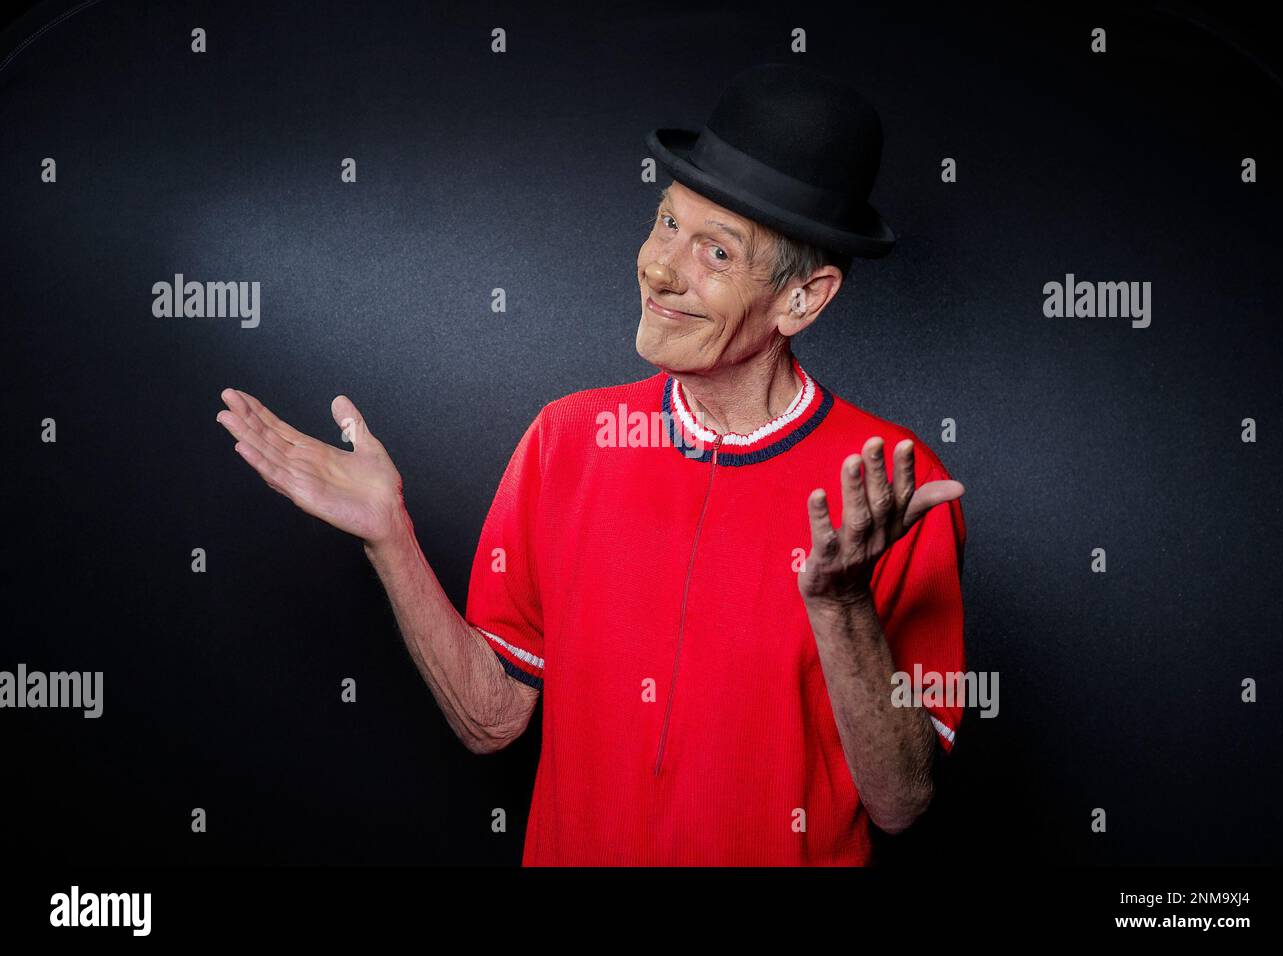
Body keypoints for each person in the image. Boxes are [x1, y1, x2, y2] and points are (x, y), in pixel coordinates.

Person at [215, 62, 967, 866]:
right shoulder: (567, 439)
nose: (659, 266)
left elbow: (900, 803)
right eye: (666, 223)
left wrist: (841, 602)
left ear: (802, 299)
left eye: (715, 251)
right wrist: (388, 536)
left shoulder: (891, 485)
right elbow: (493, 717)